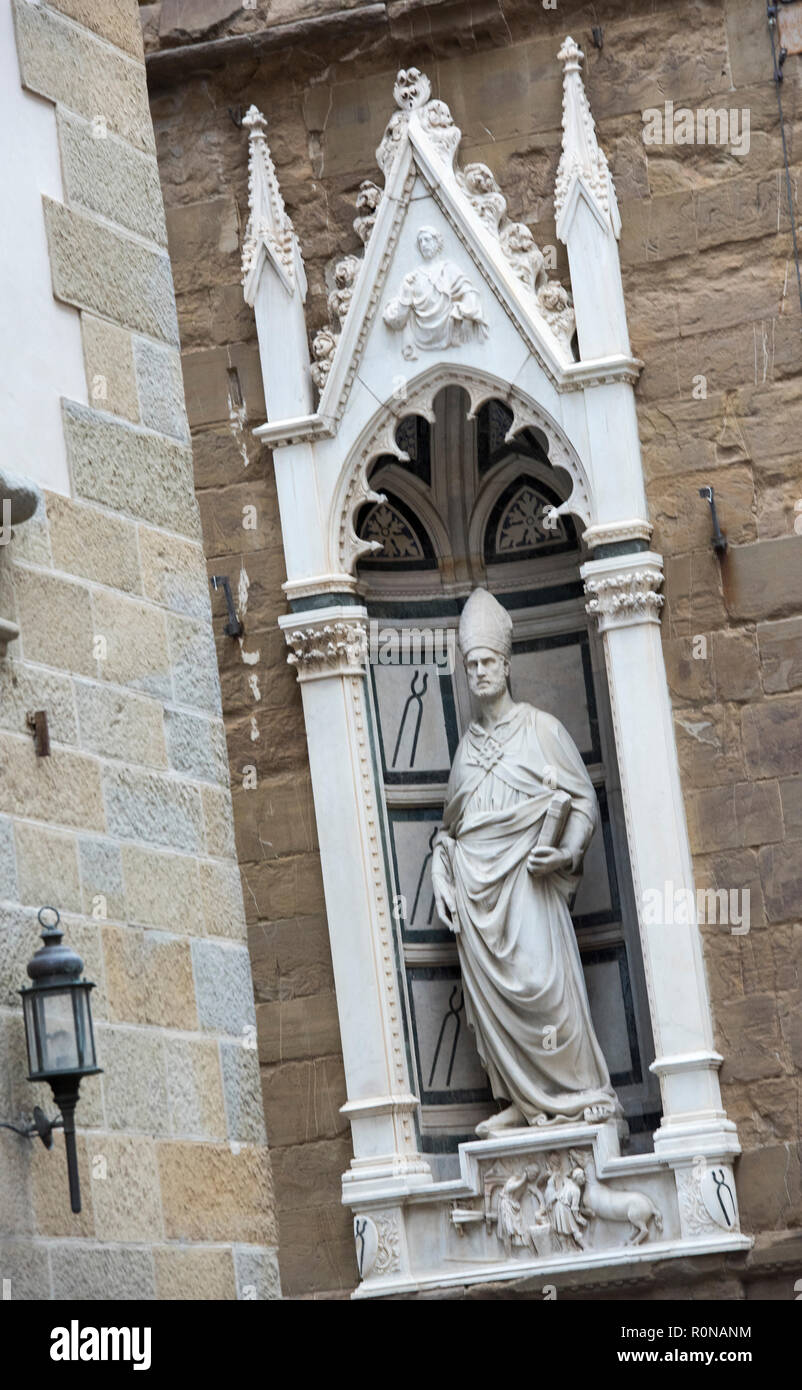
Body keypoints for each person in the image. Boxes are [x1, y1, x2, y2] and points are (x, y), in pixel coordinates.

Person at [431, 587, 620, 1137]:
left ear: (507, 666)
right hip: (478, 900)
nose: (481, 673)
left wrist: (564, 850)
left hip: (530, 889)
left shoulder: (541, 729)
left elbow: (583, 799)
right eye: (472, 665)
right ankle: (521, 1100)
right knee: (496, 1007)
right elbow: (451, 833)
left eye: (488, 662)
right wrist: (443, 875)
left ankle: (582, 1094)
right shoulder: (466, 751)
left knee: (544, 985)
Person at [383, 226, 489, 360]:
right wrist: (406, 292)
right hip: (421, 333)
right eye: (420, 242)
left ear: (437, 242)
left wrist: (467, 316)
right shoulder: (414, 277)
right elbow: (398, 317)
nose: (424, 245)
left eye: (427, 240)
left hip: (450, 328)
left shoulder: (448, 270)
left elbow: (469, 292)